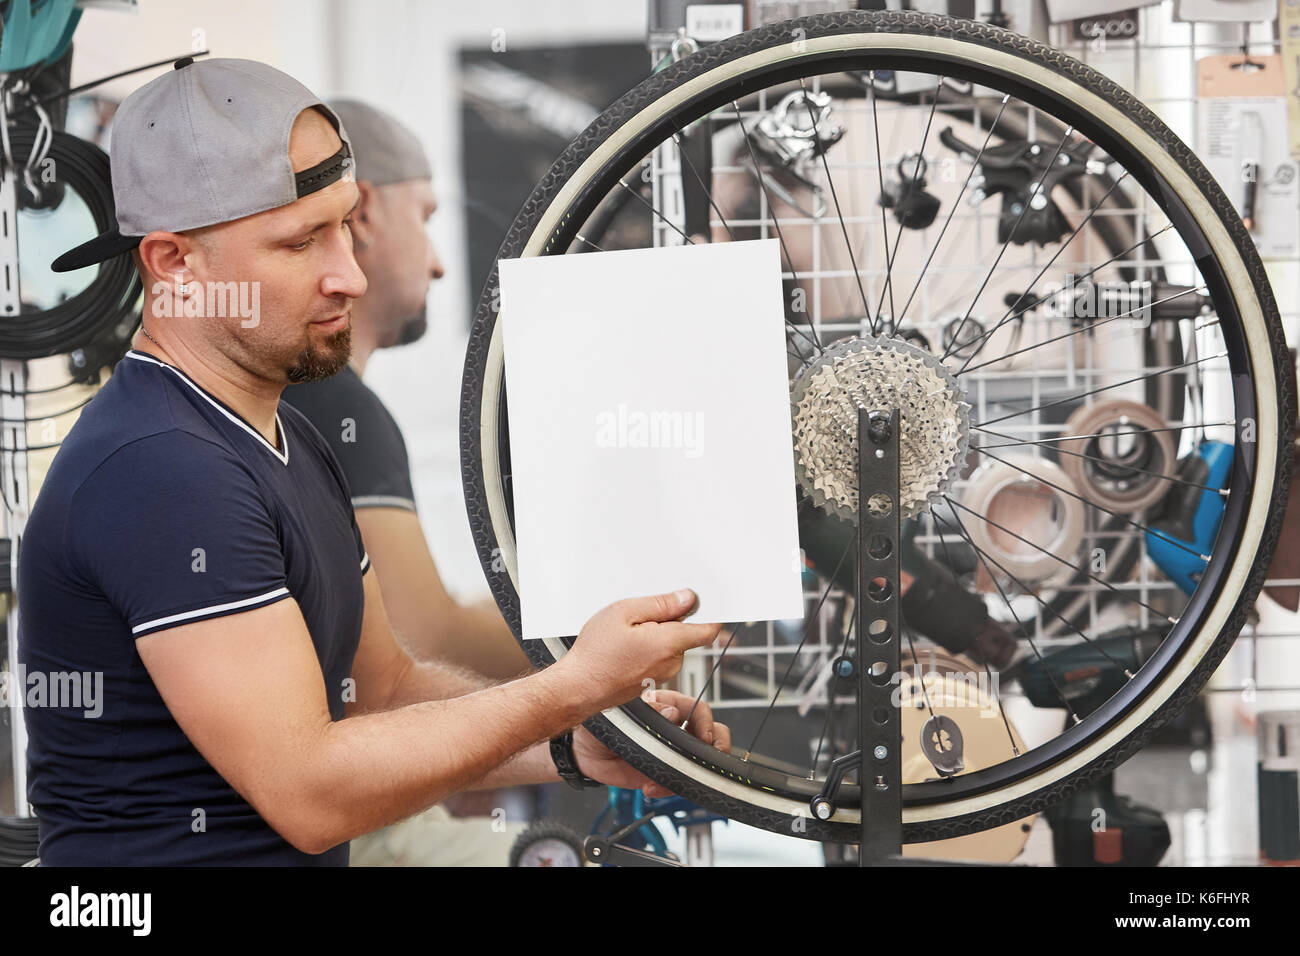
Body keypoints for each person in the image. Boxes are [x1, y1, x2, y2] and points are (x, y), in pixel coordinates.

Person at [19, 57, 728, 866]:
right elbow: (309, 793)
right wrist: (571, 686)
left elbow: (381, 692)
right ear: (176, 265)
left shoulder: (288, 438)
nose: (348, 275)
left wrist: (572, 742)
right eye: (299, 243)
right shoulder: (162, 469)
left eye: (347, 227)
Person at [282, 99, 528, 866]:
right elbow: (420, 643)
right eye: (425, 215)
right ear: (366, 213)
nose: (439, 261)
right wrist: (602, 634)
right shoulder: (335, 405)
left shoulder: (310, 400)